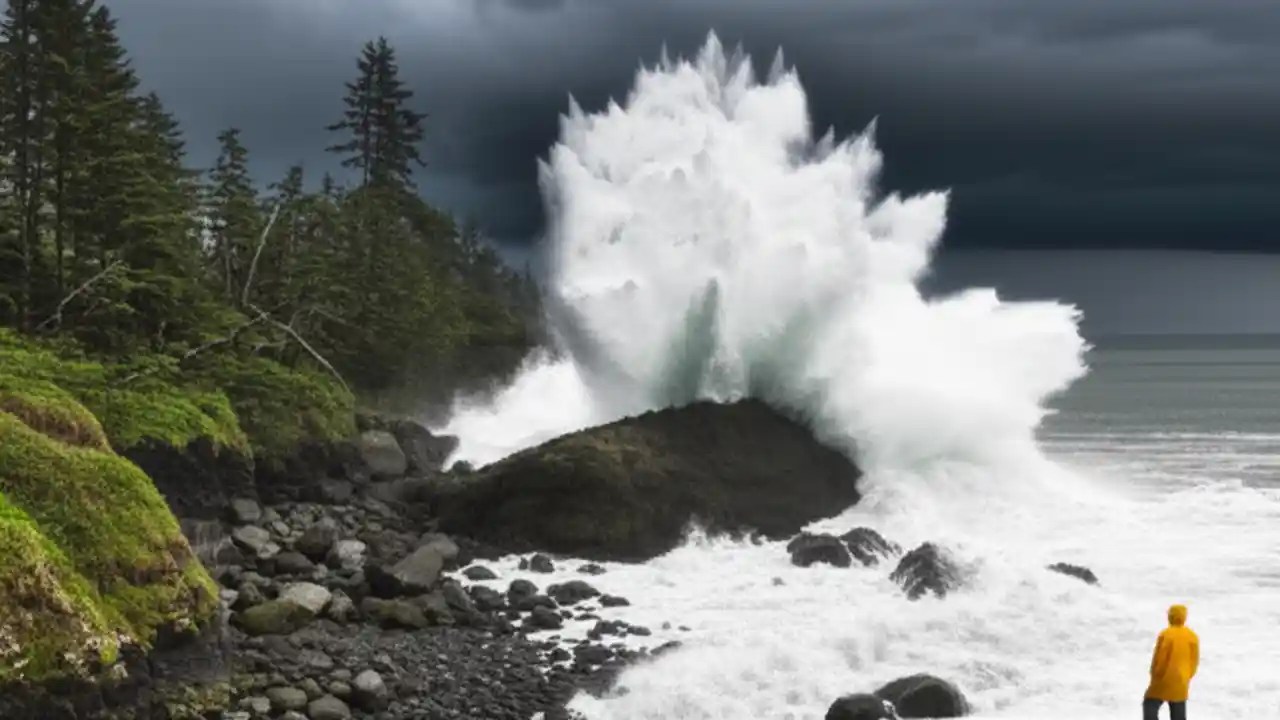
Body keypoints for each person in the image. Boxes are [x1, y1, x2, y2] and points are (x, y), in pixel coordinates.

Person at [1143, 604, 1199, 720]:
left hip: (1164, 678)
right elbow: (1194, 661)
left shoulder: (1166, 635)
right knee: (1178, 707)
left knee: (1150, 704)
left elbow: (1160, 658)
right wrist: (1187, 676)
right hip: (1182, 680)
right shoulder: (1192, 636)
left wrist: (1155, 675)